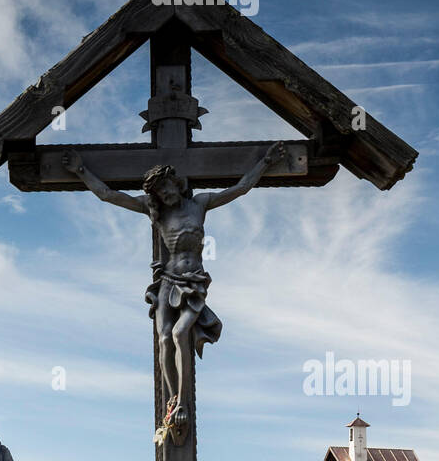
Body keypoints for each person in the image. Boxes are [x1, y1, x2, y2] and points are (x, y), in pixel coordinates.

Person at [63, 141, 285, 439]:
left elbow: (240, 188)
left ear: (177, 184)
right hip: (167, 281)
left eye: (167, 188)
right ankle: (171, 400)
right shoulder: (155, 211)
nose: (165, 195)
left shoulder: (200, 204)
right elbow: (108, 195)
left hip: (193, 282)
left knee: (181, 334)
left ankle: (182, 401)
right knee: (165, 339)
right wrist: (80, 170)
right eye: (159, 193)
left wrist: (266, 163)